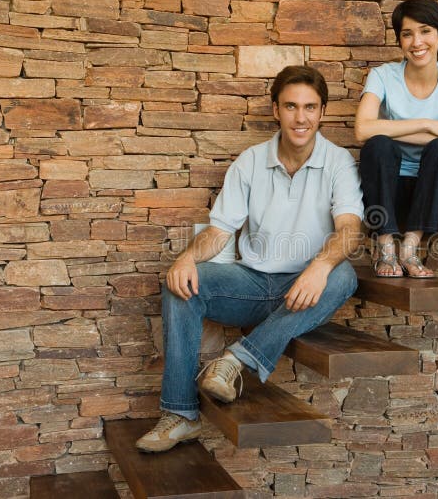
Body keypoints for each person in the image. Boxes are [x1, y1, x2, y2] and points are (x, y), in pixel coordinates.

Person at [136, 65, 364, 453]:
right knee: (180, 284)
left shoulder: (339, 162)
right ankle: (180, 415)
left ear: (322, 111)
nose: (301, 117)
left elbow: (349, 230)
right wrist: (186, 259)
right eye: (291, 106)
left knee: (344, 275)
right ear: (276, 110)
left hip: (306, 289)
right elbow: (219, 232)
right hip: (254, 285)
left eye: (310, 107)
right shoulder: (250, 162)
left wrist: (318, 267)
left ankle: (236, 361)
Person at [355, 0, 438, 279]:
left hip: (437, 191)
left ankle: (410, 246)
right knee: (378, 145)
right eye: (407, 34)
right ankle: (384, 244)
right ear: (400, 41)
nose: (417, 42)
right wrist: (430, 124)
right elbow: (363, 130)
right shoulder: (382, 76)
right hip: (389, 191)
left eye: (425, 31)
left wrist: (405, 130)